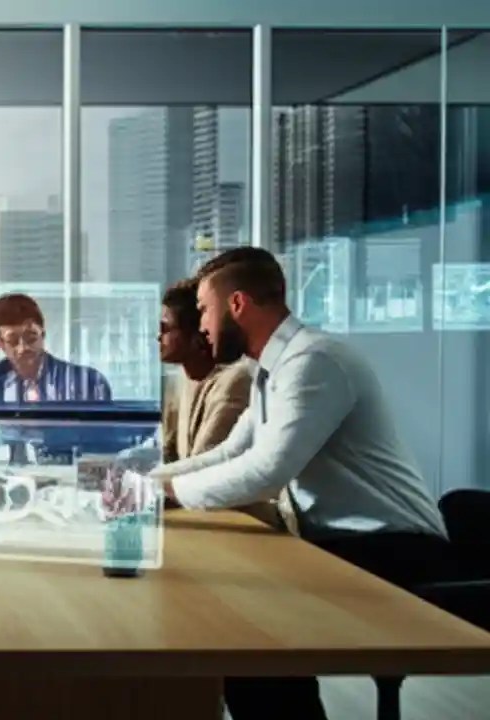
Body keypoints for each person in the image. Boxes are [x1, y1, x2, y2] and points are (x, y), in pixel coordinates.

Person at [149, 247, 448, 720]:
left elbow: (269, 470)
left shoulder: (315, 361)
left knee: (248, 631)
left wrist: (163, 493)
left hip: (394, 547)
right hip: (342, 542)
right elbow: (231, 452)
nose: (201, 325)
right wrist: (142, 482)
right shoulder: (272, 368)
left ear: (238, 304)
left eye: (205, 309)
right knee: (236, 618)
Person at [158, 278, 253, 464]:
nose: (158, 337)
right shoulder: (178, 382)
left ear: (197, 335)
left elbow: (204, 463)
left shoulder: (235, 381)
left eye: (166, 328)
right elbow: (168, 454)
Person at [0, 293, 111, 407]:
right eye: (13, 341)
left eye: (31, 337)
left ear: (43, 334)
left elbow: (106, 439)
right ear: (1, 345)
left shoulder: (88, 382)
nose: (23, 348)